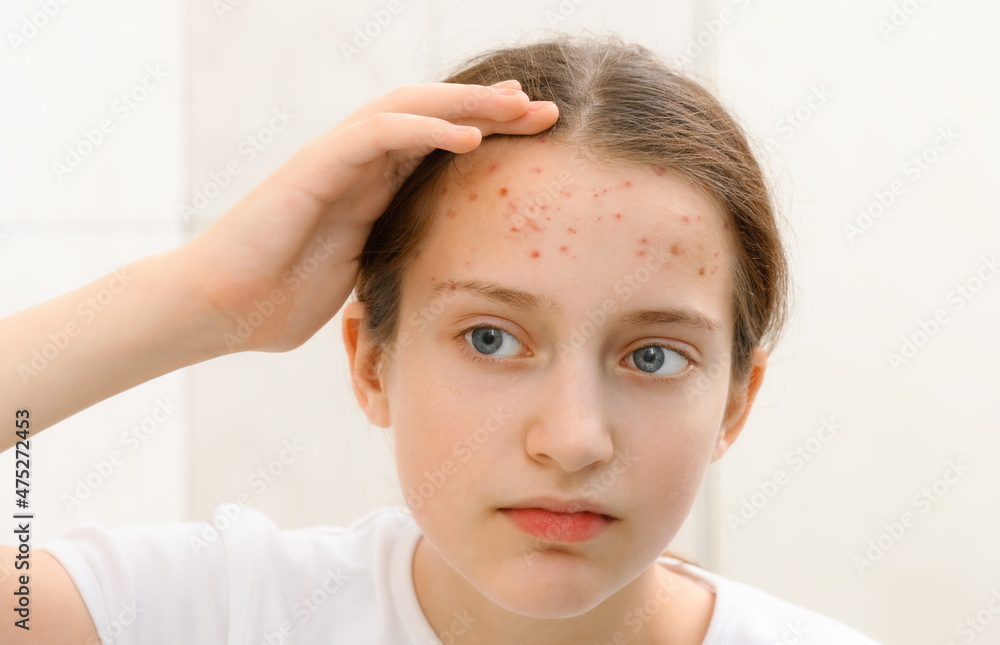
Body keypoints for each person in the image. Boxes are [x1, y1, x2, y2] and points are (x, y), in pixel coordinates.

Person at [0, 33, 882, 644]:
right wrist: (201, 296)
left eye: (653, 356)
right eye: (491, 338)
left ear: (735, 401)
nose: (573, 439)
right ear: (370, 361)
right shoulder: (221, 613)